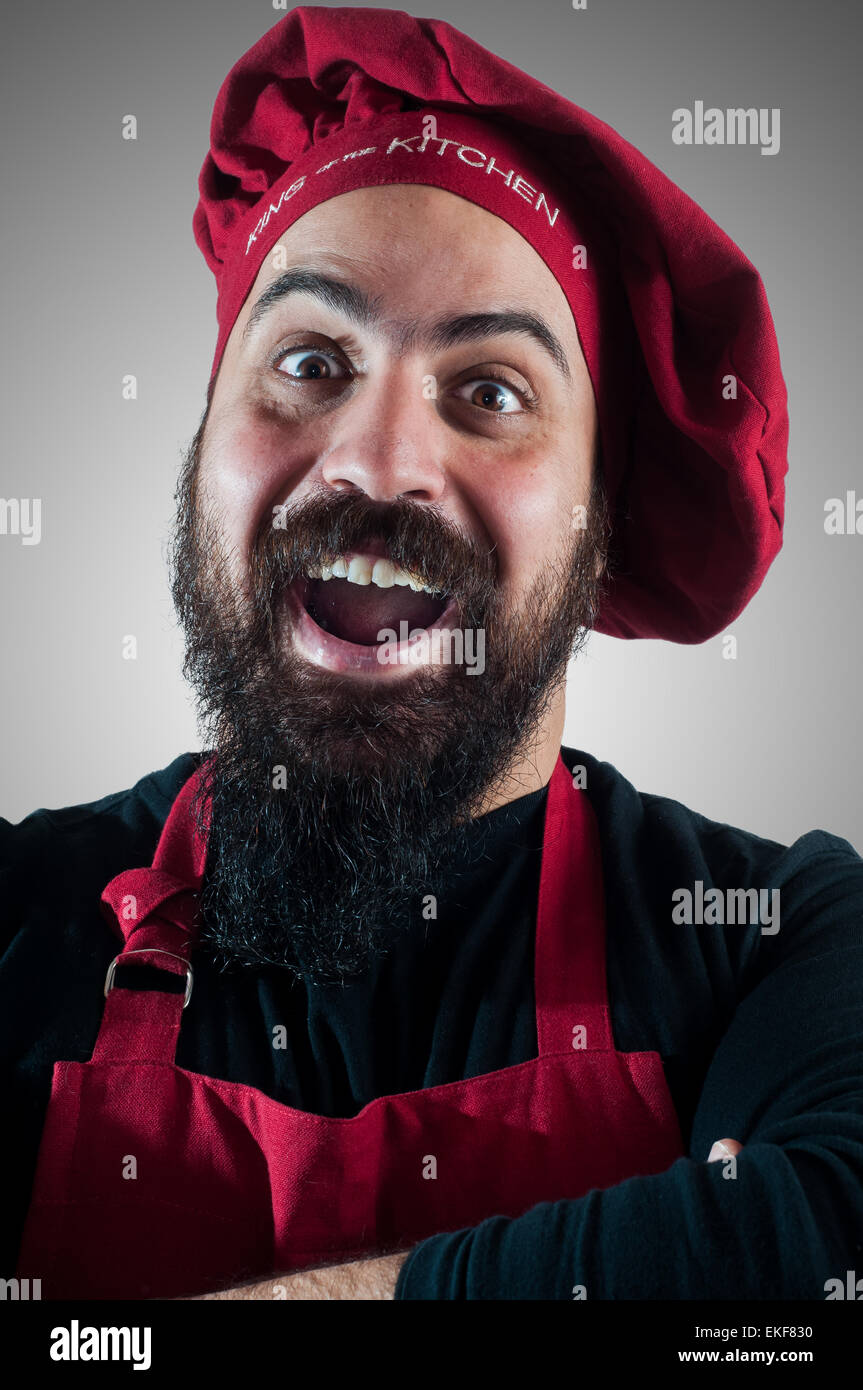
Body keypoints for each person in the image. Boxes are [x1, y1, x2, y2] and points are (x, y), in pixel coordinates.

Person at [4, 6, 862, 1302]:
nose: (380, 460)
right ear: (199, 454)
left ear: (600, 522)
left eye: (493, 390)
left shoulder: (777, 936)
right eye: (308, 358)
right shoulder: (17, 916)